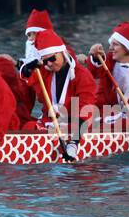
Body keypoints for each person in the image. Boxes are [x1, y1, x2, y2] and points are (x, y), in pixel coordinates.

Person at [20, 29, 97, 161]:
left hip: (76, 124)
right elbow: (27, 79)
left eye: (52, 59)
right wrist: (27, 69)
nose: (49, 64)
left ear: (62, 52)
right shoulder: (45, 71)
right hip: (51, 121)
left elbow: (86, 110)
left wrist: (74, 143)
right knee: (27, 127)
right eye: (45, 61)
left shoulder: (82, 75)